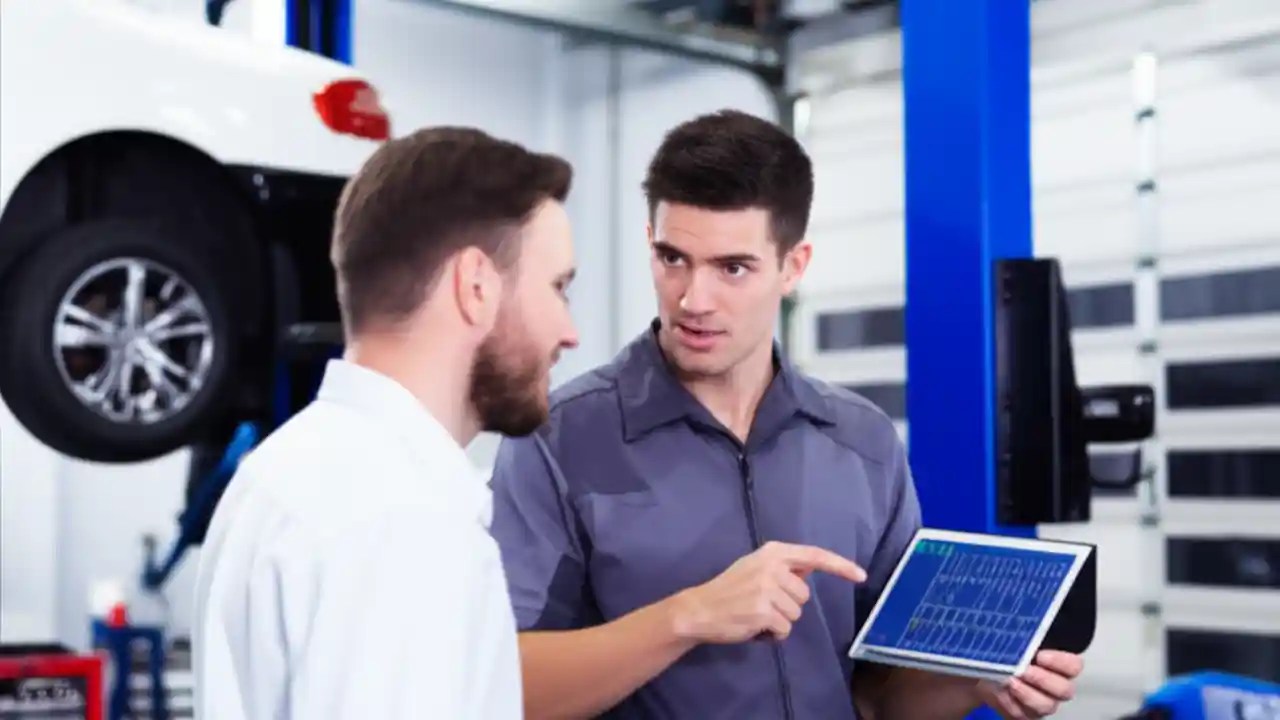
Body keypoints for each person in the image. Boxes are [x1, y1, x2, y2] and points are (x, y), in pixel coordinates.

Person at [486, 109, 1084, 720]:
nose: (693, 299)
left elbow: (879, 698)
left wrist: (971, 683)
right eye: (673, 259)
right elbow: (501, 686)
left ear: (793, 266)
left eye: (733, 268)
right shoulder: (557, 438)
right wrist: (688, 617)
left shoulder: (862, 442)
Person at [191, 126, 580, 719]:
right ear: (476, 286)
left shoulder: (282, 471)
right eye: (558, 288)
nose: (569, 332)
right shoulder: (404, 523)